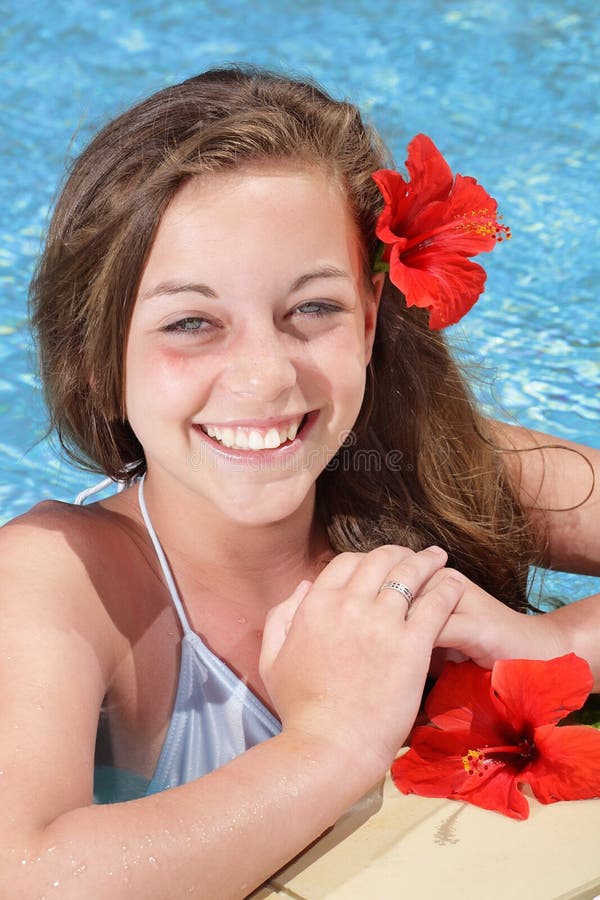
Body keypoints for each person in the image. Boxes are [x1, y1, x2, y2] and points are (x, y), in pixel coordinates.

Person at [0, 65, 598, 898]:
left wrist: (554, 649)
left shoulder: (430, 461)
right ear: (97, 365)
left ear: (369, 317)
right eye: (192, 323)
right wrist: (332, 742)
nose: (264, 376)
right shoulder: (61, 575)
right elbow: (27, 876)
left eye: (312, 309)